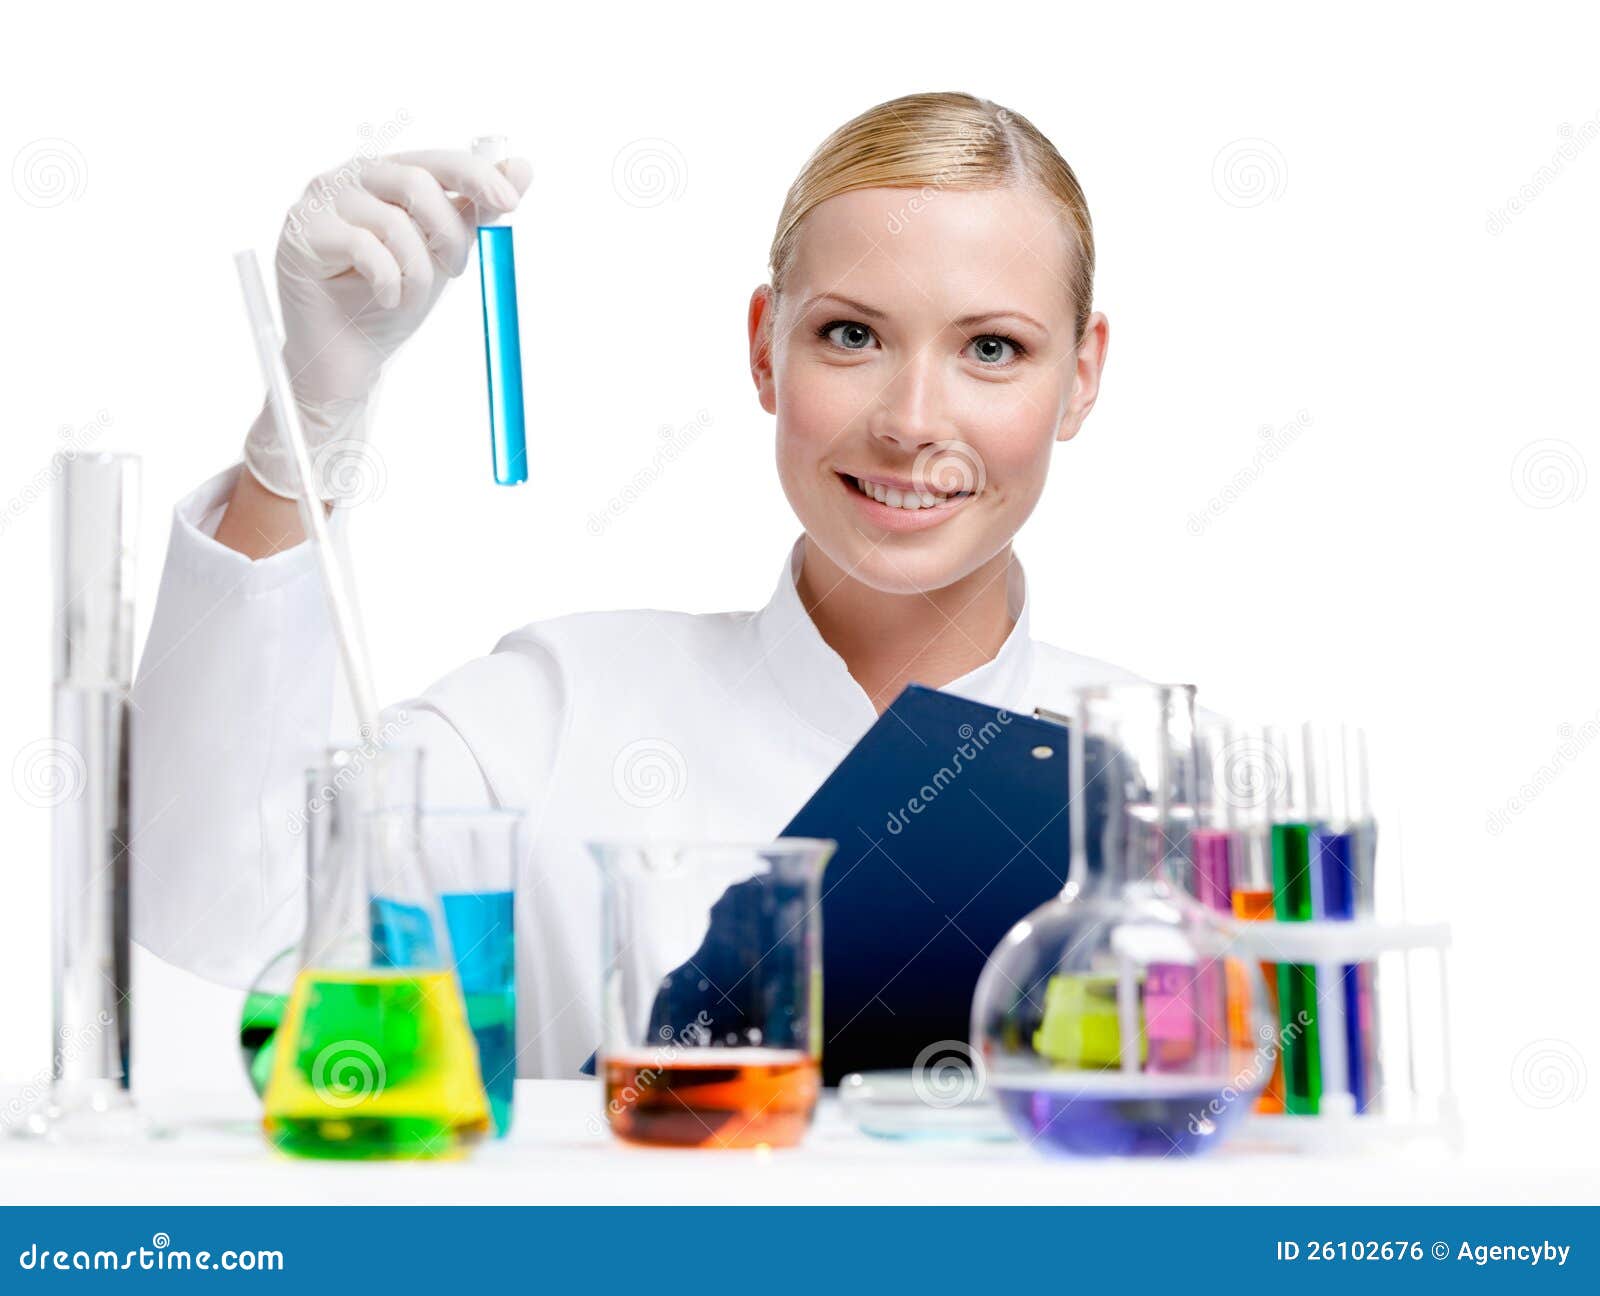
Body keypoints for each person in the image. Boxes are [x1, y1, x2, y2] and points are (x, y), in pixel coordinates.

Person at [130, 91, 1141, 1079]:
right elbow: (227, 906)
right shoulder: (547, 719)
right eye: (851, 335)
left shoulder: (1150, 781)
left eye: (992, 348)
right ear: (763, 348)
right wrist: (300, 435)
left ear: (1081, 377)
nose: (912, 419)